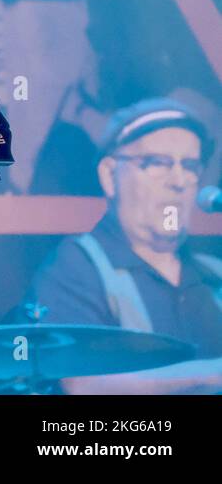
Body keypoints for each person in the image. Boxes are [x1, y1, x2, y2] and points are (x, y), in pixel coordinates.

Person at [25, 97, 222, 394]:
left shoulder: (213, 274)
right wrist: (210, 376)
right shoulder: (77, 265)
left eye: (190, 166)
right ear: (109, 175)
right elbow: (83, 385)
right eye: (157, 163)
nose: (179, 181)